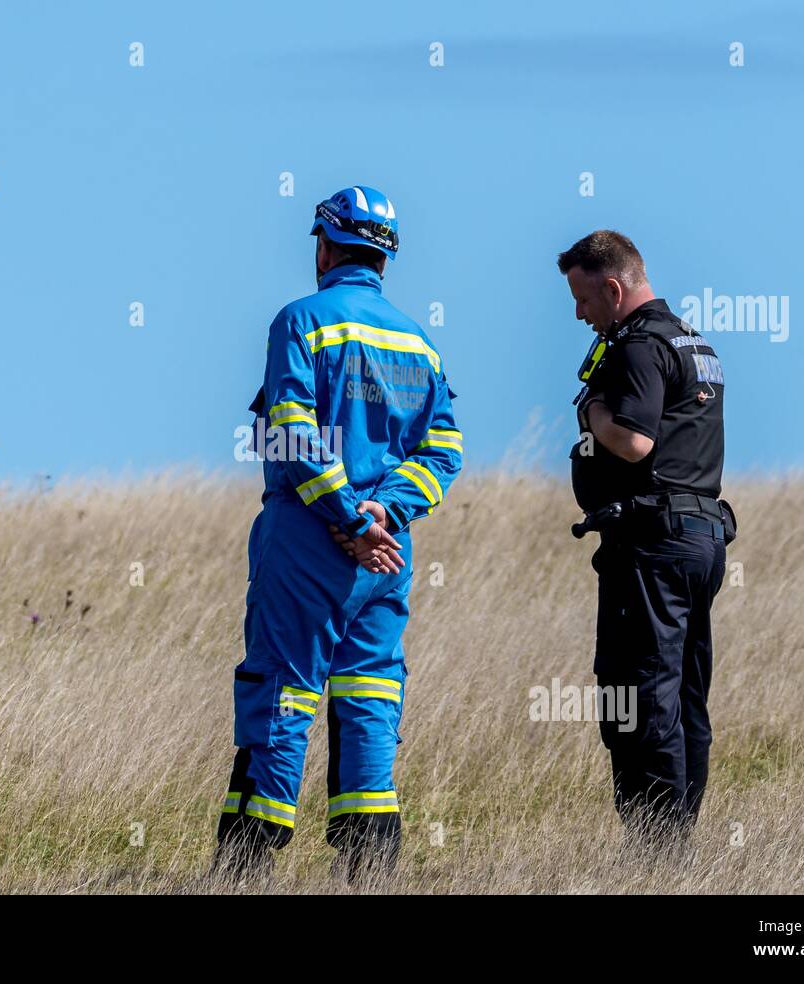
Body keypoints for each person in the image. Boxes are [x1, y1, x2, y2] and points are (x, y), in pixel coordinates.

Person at [213, 186, 463, 881]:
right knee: (372, 690)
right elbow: (444, 449)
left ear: (324, 245)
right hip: (386, 554)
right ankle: (371, 868)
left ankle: (244, 870)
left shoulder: (299, 322)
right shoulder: (420, 342)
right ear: (385, 257)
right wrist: (384, 514)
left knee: (283, 689)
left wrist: (349, 518)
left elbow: (293, 433)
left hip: (306, 540)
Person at [558, 230, 733, 847]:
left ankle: (657, 849)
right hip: (698, 536)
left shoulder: (637, 346)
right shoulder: (694, 341)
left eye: (583, 299)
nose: (580, 314)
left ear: (613, 287)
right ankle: (676, 837)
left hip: (652, 545)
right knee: (684, 693)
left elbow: (635, 441)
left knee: (636, 693)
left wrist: (593, 414)